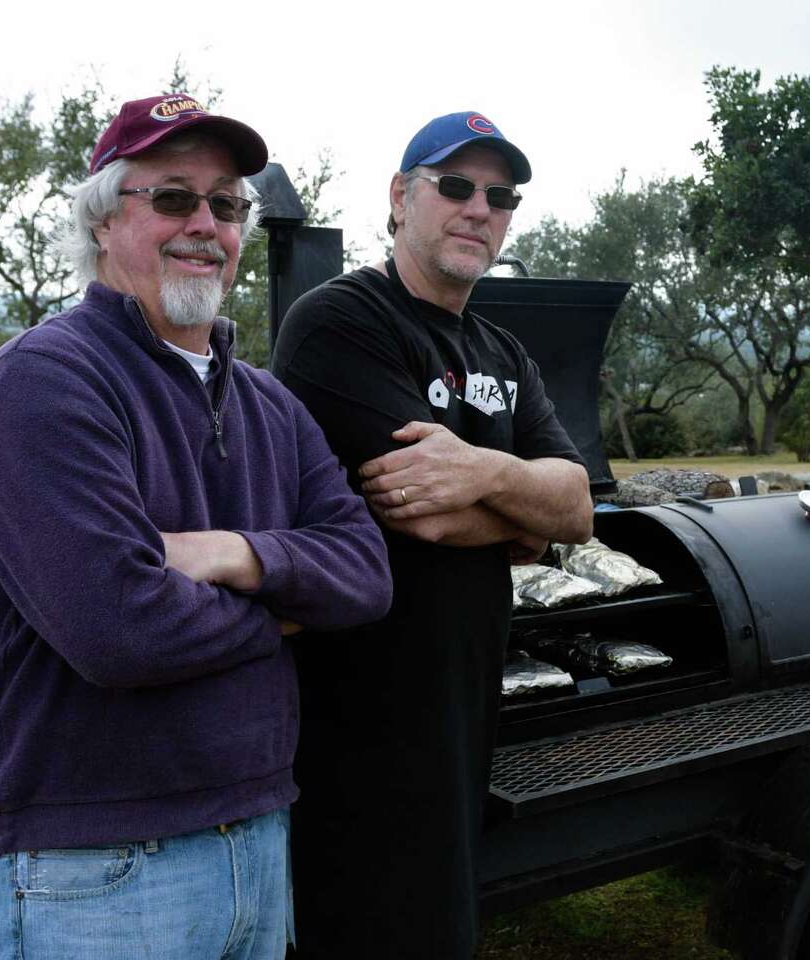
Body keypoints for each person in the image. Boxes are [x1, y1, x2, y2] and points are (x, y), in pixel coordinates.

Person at [0, 93, 392, 960]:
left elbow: (368, 574)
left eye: (225, 204)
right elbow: (121, 630)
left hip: (258, 842)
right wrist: (290, 606)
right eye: (174, 197)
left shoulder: (271, 403)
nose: (205, 223)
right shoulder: (43, 384)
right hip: (95, 871)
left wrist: (235, 554)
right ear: (106, 219)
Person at [271, 111, 594, 956]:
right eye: (454, 186)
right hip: (352, 724)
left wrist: (488, 475)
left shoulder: (503, 349)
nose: (478, 208)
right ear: (400, 197)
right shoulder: (340, 322)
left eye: (500, 195)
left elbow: (578, 509)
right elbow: (422, 507)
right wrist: (522, 514)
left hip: (461, 709)